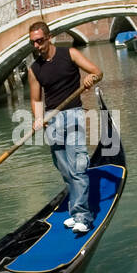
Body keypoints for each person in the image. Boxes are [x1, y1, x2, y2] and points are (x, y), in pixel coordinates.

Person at [28, 20, 102, 235]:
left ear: (49, 37)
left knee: (78, 166)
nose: (37, 46)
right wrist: (38, 118)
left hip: (73, 115)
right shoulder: (34, 69)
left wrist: (90, 79)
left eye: (40, 41)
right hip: (52, 119)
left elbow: (97, 72)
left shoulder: (69, 54)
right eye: (33, 42)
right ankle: (75, 209)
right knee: (66, 171)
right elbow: (36, 99)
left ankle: (83, 217)